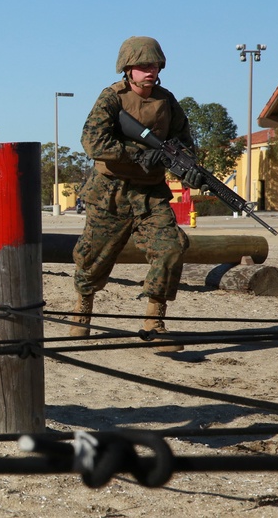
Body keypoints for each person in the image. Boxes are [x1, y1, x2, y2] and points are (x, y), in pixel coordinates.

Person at [69, 36, 205, 352]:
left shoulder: (167, 102)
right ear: (128, 68)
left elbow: (184, 145)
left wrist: (190, 169)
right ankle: (81, 312)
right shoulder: (111, 98)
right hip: (110, 191)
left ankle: (154, 323)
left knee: (170, 248)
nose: (150, 71)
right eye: (143, 65)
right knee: (94, 257)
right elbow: (93, 143)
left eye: (154, 65)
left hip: (151, 192)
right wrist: (138, 154)